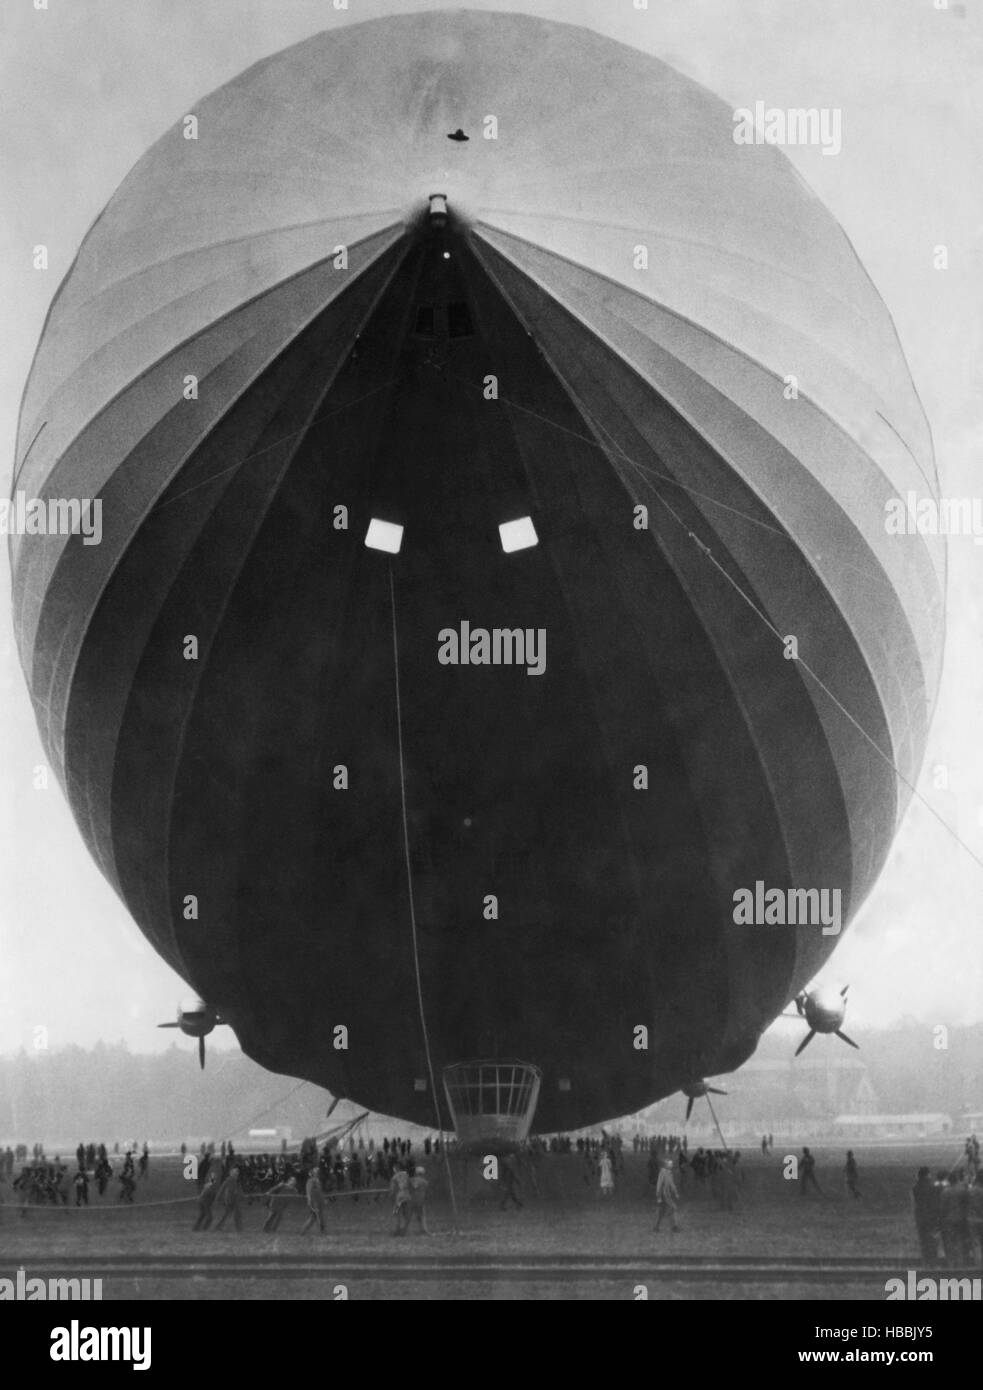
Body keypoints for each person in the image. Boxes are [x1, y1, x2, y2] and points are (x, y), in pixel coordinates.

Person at [912, 1167, 940, 1265]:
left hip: (920, 1217)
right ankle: (933, 1261)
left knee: (923, 1241)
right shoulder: (932, 1187)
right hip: (931, 1217)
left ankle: (926, 1261)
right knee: (932, 1241)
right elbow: (934, 1203)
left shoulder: (915, 1188)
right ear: (927, 1174)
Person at [654, 1159, 680, 1233]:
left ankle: (656, 1227)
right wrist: (658, 1196)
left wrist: (675, 1193)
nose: (672, 1165)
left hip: (667, 1194)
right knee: (673, 1208)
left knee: (662, 1211)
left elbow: (672, 1184)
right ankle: (674, 1227)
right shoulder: (663, 1173)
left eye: (672, 1164)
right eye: (670, 1164)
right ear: (666, 1165)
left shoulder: (669, 1173)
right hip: (664, 1194)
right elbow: (659, 1185)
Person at [214, 1167, 243, 1232]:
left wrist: (241, 1195)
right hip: (230, 1200)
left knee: (232, 1214)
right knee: (234, 1214)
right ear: (231, 1173)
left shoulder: (236, 1180)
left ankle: (219, 1227)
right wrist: (218, 1198)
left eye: (237, 1172)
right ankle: (238, 1228)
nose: (237, 1173)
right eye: (235, 1172)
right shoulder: (229, 1180)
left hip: (234, 1200)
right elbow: (222, 1189)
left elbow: (239, 1190)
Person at [301, 1170, 326, 1235]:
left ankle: (304, 1230)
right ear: (312, 1174)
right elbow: (308, 1191)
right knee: (316, 1216)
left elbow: (320, 1191)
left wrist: (323, 1199)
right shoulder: (310, 1181)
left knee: (316, 1216)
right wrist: (309, 1200)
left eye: (317, 1172)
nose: (317, 1173)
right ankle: (321, 1230)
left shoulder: (318, 1181)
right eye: (316, 1172)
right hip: (314, 1201)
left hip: (319, 1200)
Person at [407, 1164, 430, 1235]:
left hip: (411, 1200)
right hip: (420, 1201)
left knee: (409, 1216)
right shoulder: (425, 1182)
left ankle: (405, 1230)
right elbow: (426, 1193)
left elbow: (409, 1189)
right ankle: (424, 1230)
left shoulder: (411, 1180)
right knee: (422, 1216)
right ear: (423, 1173)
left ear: (416, 1173)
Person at [390, 1162, 411, 1236]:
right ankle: (404, 1230)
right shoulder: (406, 1175)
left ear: (396, 1168)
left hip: (399, 1197)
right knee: (406, 1214)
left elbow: (393, 1189)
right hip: (407, 1196)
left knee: (396, 1212)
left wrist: (391, 1195)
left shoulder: (395, 1176)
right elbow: (409, 1184)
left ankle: (397, 1230)